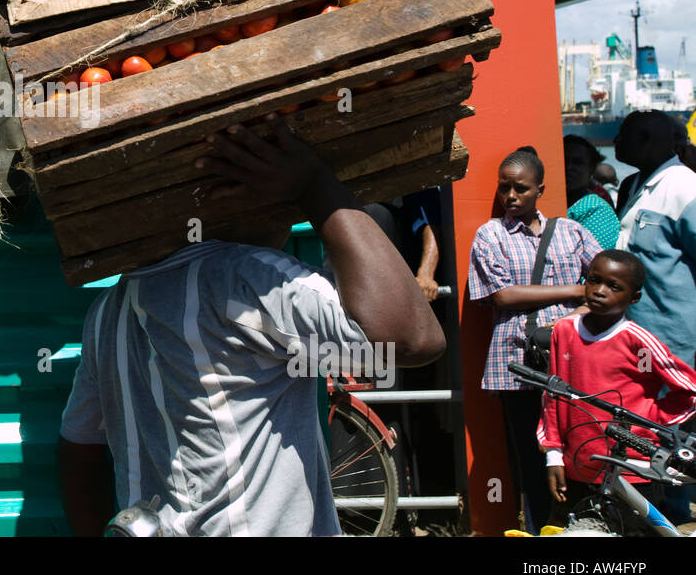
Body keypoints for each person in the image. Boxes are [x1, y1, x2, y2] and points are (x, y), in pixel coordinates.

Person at [57, 120, 445, 536]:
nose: (288, 218)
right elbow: (413, 339)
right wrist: (314, 184)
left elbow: (79, 447)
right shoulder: (244, 279)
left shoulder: (109, 311)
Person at [467, 146, 601, 532]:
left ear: (540, 189)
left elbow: (608, 281)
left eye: (521, 189)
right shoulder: (490, 235)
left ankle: (581, 526)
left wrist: (581, 311)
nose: (511, 196)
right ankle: (541, 524)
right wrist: (574, 293)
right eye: (504, 188)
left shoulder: (572, 232)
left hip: (570, 360)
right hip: (517, 364)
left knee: (578, 445)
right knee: (529, 453)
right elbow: (503, 296)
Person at [538, 250, 696, 524]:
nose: (599, 291)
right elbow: (553, 396)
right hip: (577, 466)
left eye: (614, 287)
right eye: (593, 280)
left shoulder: (638, 340)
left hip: (633, 470)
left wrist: (652, 420)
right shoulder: (563, 330)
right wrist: (554, 455)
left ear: (634, 297)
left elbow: (689, 389)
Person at [614, 110, 696, 368]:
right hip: (635, 335)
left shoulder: (686, 189)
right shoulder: (631, 185)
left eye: (623, 135)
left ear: (646, 138)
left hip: (676, 343)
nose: (616, 141)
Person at [563, 135, 620, 249]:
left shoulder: (596, 209)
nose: (569, 167)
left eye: (578, 163)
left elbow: (599, 259)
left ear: (592, 169)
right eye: (564, 160)